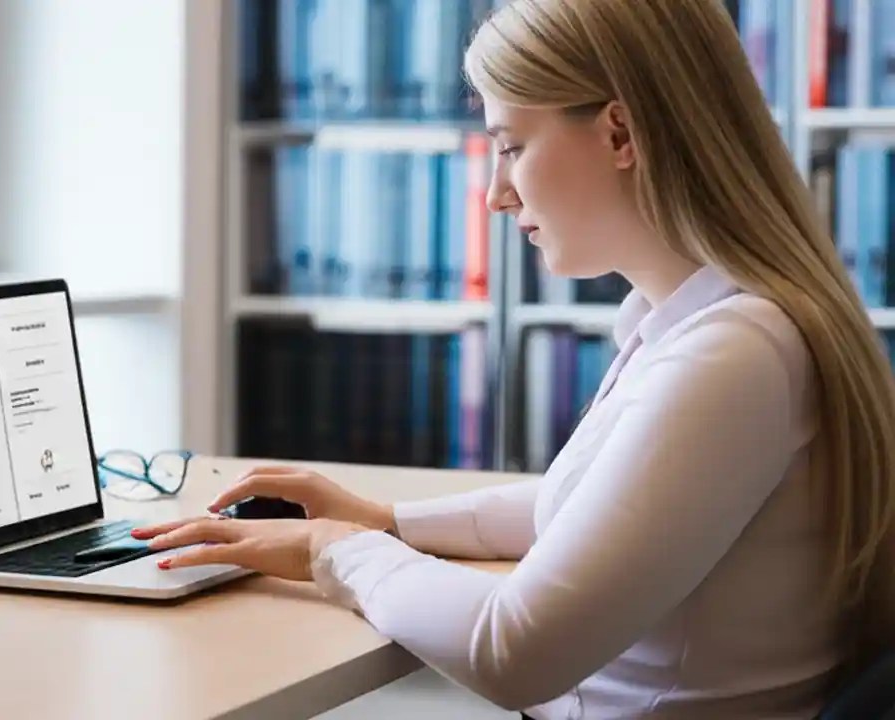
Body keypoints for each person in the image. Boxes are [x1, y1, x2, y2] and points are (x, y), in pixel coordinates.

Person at [133, 0, 895, 717]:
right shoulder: (695, 321)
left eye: (511, 145)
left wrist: (340, 551)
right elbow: (590, 507)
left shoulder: (733, 357)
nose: (495, 193)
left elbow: (515, 651)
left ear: (621, 134)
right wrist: (388, 522)